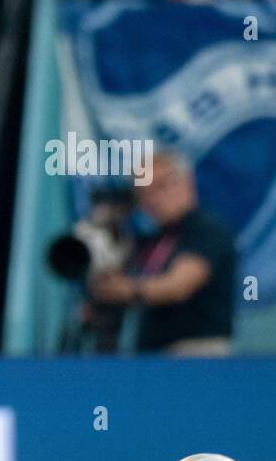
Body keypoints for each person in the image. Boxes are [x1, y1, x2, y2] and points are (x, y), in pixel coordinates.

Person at [89, 152, 236, 355]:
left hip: (196, 353)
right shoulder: (155, 239)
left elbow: (178, 286)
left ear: (186, 182)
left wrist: (125, 290)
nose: (152, 200)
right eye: (142, 193)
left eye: (159, 187)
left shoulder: (205, 229)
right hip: (155, 355)